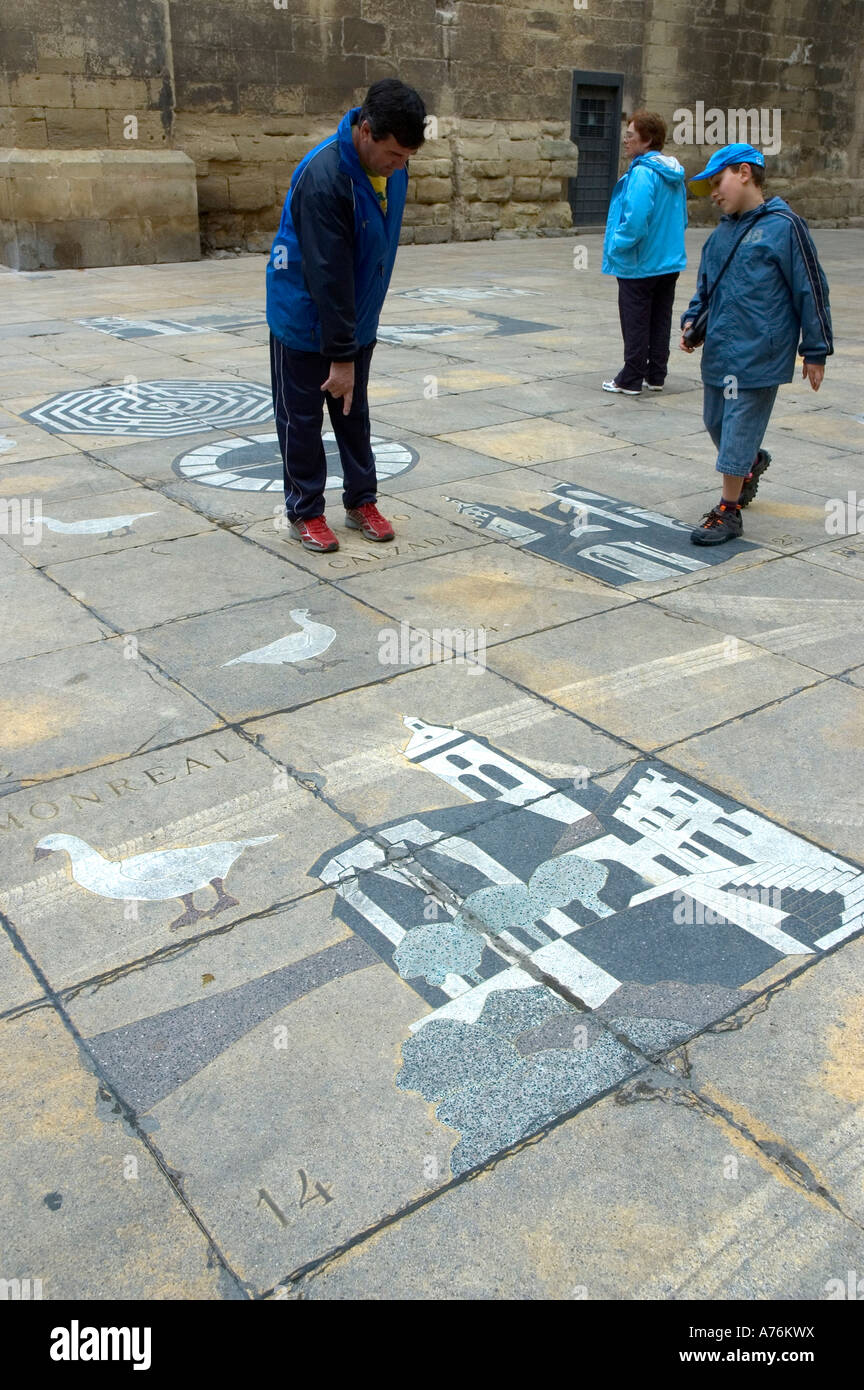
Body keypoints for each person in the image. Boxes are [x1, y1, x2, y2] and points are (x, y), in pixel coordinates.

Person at [266, 79, 426, 552]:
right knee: (302, 418)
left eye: (407, 158)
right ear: (366, 131)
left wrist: (358, 338)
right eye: (395, 155)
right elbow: (326, 274)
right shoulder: (325, 177)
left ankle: (361, 499)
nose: (400, 166)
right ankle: (305, 510)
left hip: (357, 316)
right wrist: (341, 356)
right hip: (305, 318)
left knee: (353, 412)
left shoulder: (392, 169)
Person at [681, 143, 833, 545]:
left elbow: (811, 289)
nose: (713, 193)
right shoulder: (719, 235)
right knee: (716, 423)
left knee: (737, 429)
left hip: (760, 355)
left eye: (717, 182)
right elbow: (705, 292)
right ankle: (750, 462)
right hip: (719, 353)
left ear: (744, 173)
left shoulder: (785, 226)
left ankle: (728, 511)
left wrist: (814, 350)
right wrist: (692, 322)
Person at [601, 110, 687, 395]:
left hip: (640, 262)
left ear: (647, 140)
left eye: (630, 135)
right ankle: (656, 374)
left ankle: (630, 378)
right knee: (660, 318)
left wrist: (617, 244)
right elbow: (682, 218)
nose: (625, 141)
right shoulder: (674, 173)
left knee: (635, 318)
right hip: (669, 262)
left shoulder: (642, 173)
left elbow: (635, 220)